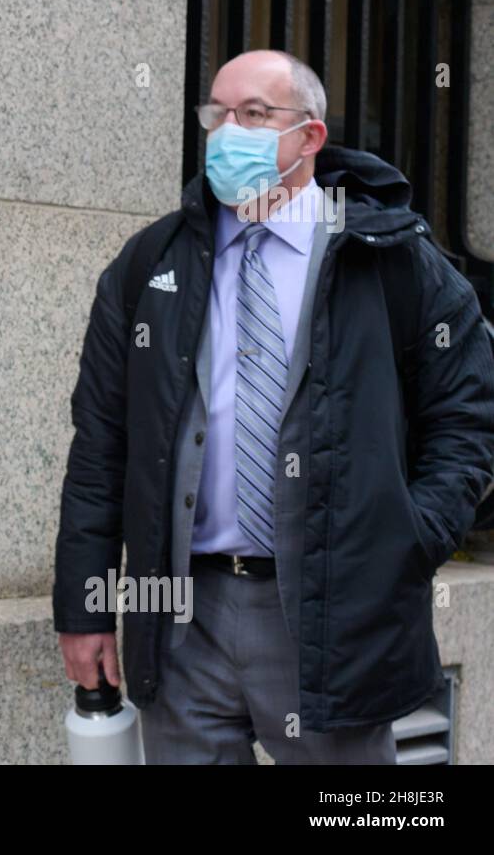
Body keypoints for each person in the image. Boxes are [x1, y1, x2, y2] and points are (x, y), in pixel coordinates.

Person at [53, 49, 494, 763]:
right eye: (217, 114)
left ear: (311, 137)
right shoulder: (150, 264)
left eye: (255, 114)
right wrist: (83, 608)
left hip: (332, 614)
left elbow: (466, 421)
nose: (229, 131)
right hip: (180, 621)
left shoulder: (390, 259)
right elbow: (101, 445)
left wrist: (407, 542)